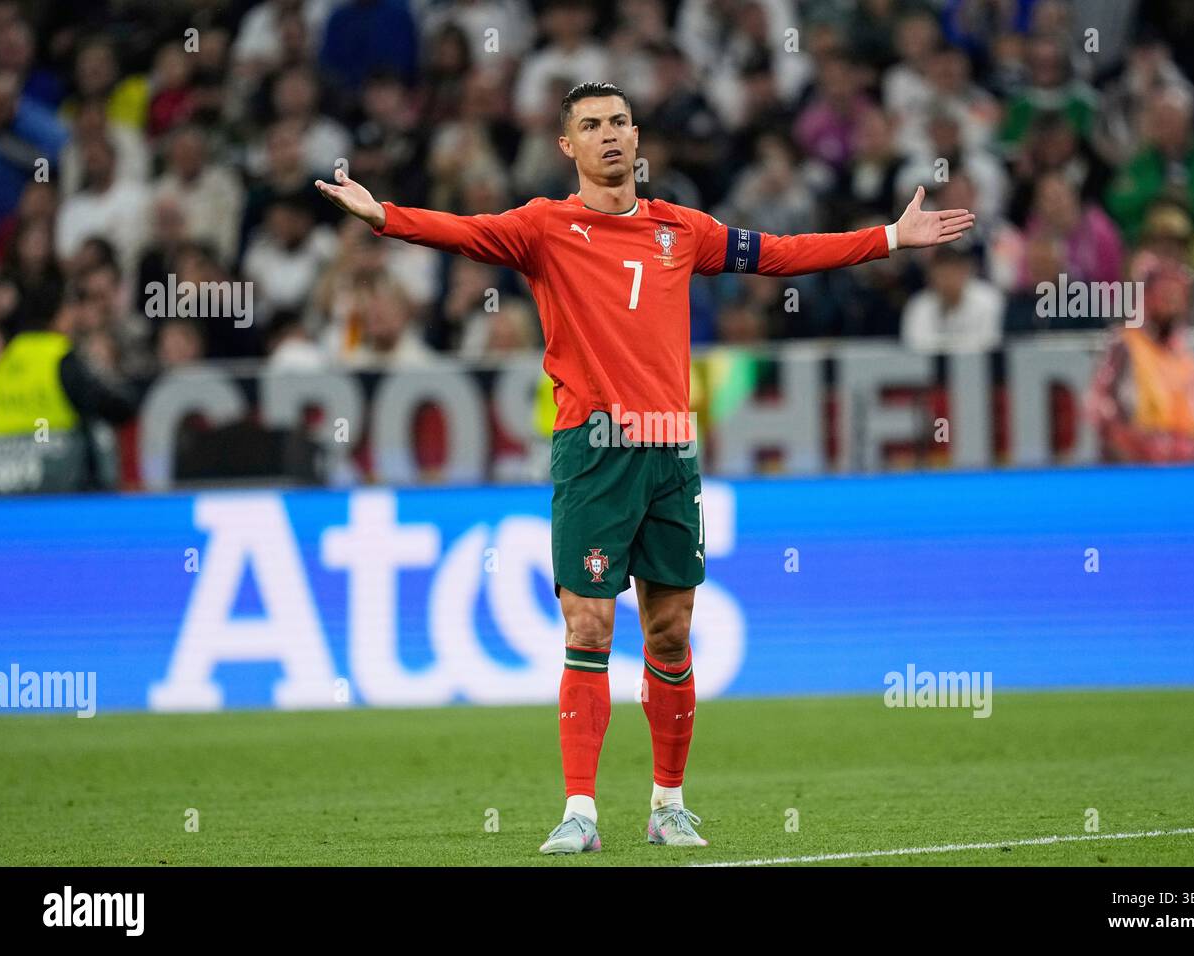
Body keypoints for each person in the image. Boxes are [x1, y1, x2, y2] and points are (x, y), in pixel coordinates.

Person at [315, 80, 974, 855]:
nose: (610, 136)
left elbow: (779, 255)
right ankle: (580, 812)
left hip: (671, 453)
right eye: (591, 126)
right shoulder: (542, 227)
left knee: (669, 632)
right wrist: (385, 216)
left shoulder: (679, 229)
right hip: (592, 454)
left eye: (620, 122)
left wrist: (887, 241)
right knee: (589, 622)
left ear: (637, 137)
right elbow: (462, 231)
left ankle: (667, 805)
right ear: (568, 146)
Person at [1086, 251, 1194, 464]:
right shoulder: (1127, 345)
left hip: (1186, 468)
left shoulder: (1185, 357)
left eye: (1176, 298)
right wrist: (1124, 448)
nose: (1171, 305)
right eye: (1164, 297)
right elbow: (1101, 406)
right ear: (1147, 299)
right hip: (1139, 468)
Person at [0, 294, 138, 493]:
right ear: (57, 316)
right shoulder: (59, 356)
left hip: (4, 477)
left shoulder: (6, 358)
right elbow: (103, 403)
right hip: (58, 475)